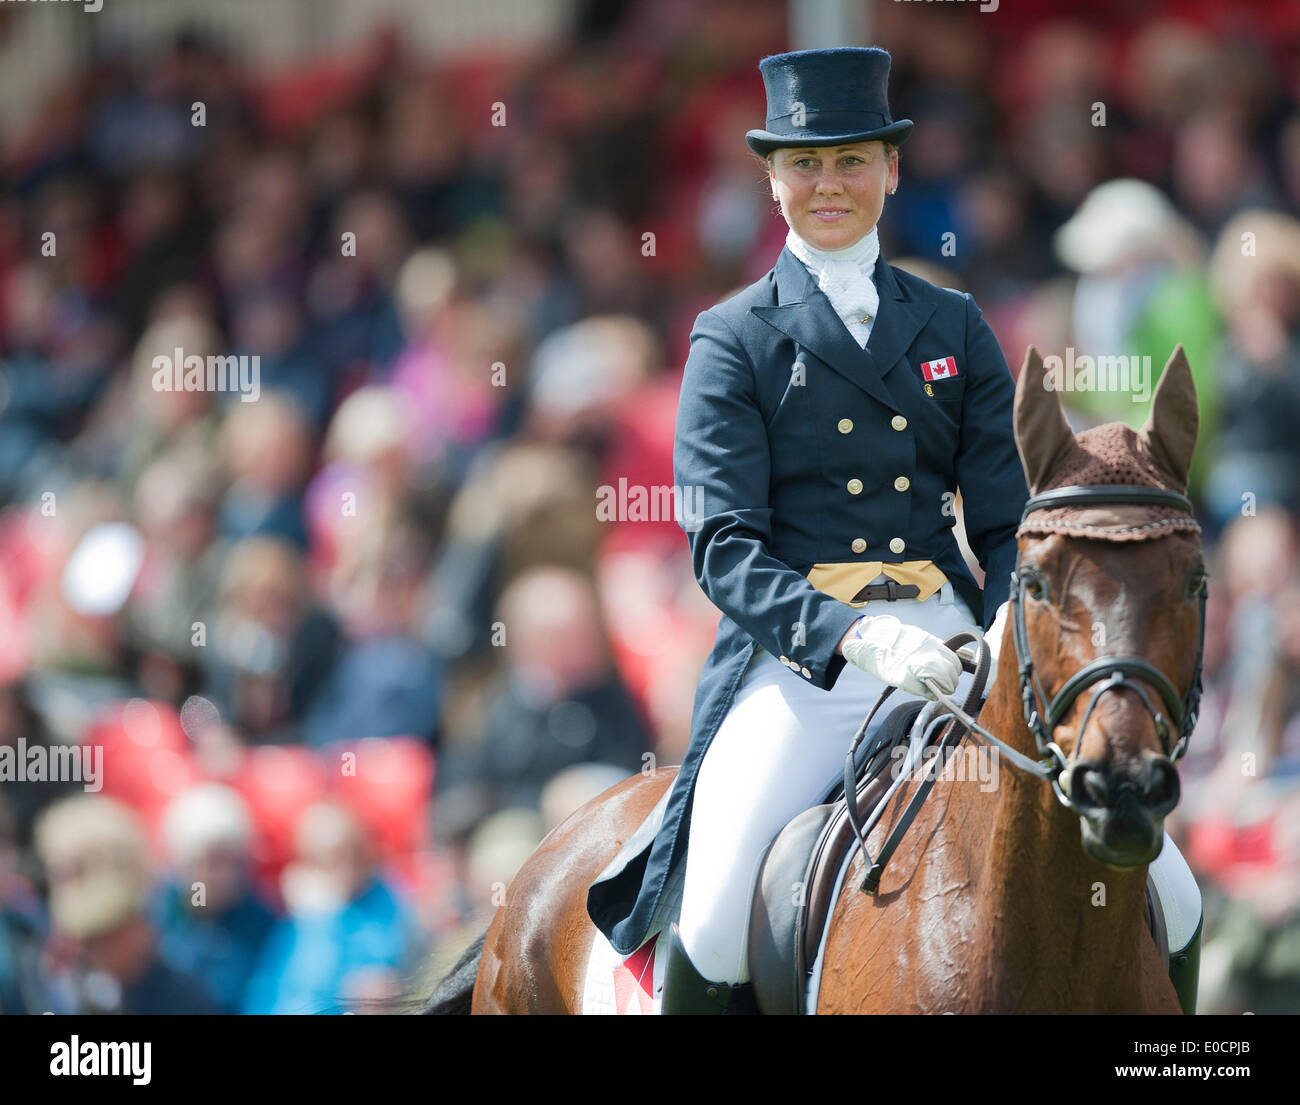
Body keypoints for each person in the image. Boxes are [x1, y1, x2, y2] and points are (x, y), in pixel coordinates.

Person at [586, 47, 1200, 1014]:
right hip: (803, 664)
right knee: (709, 912)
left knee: (1175, 889)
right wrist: (854, 634)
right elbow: (725, 548)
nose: (829, 185)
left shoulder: (953, 325)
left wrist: (1009, 632)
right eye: (806, 165)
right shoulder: (731, 336)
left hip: (959, 642)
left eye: (852, 161)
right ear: (773, 180)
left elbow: (1010, 523)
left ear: (892, 170)